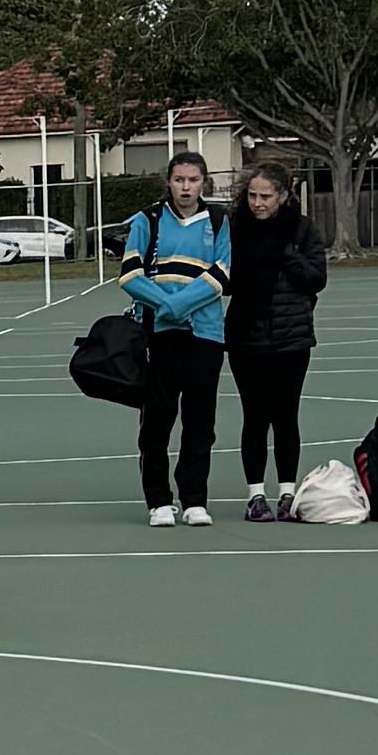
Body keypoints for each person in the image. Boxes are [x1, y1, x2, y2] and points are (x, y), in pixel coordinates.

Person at [122, 149, 229, 525]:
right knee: (158, 419)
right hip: (160, 334)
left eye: (193, 180)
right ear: (169, 181)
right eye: (179, 179)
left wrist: (180, 304)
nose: (186, 187)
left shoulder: (218, 221)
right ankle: (158, 501)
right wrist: (168, 308)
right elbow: (131, 276)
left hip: (207, 335)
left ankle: (194, 498)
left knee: (200, 420)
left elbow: (221, 275)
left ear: (204, 182)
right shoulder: (146, 220)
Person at [222, 155, 328, 518]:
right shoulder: (236, 229)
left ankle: (287, 493)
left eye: (265, 196)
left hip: (291, 338)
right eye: (252, 195)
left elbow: (317, 279)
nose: (257, 203)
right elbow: (226, 281)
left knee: (286, 415)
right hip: (245, 336)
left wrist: (287, 256)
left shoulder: (301, 230)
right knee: (255, 416)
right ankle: (255, 496)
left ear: (283, 195)